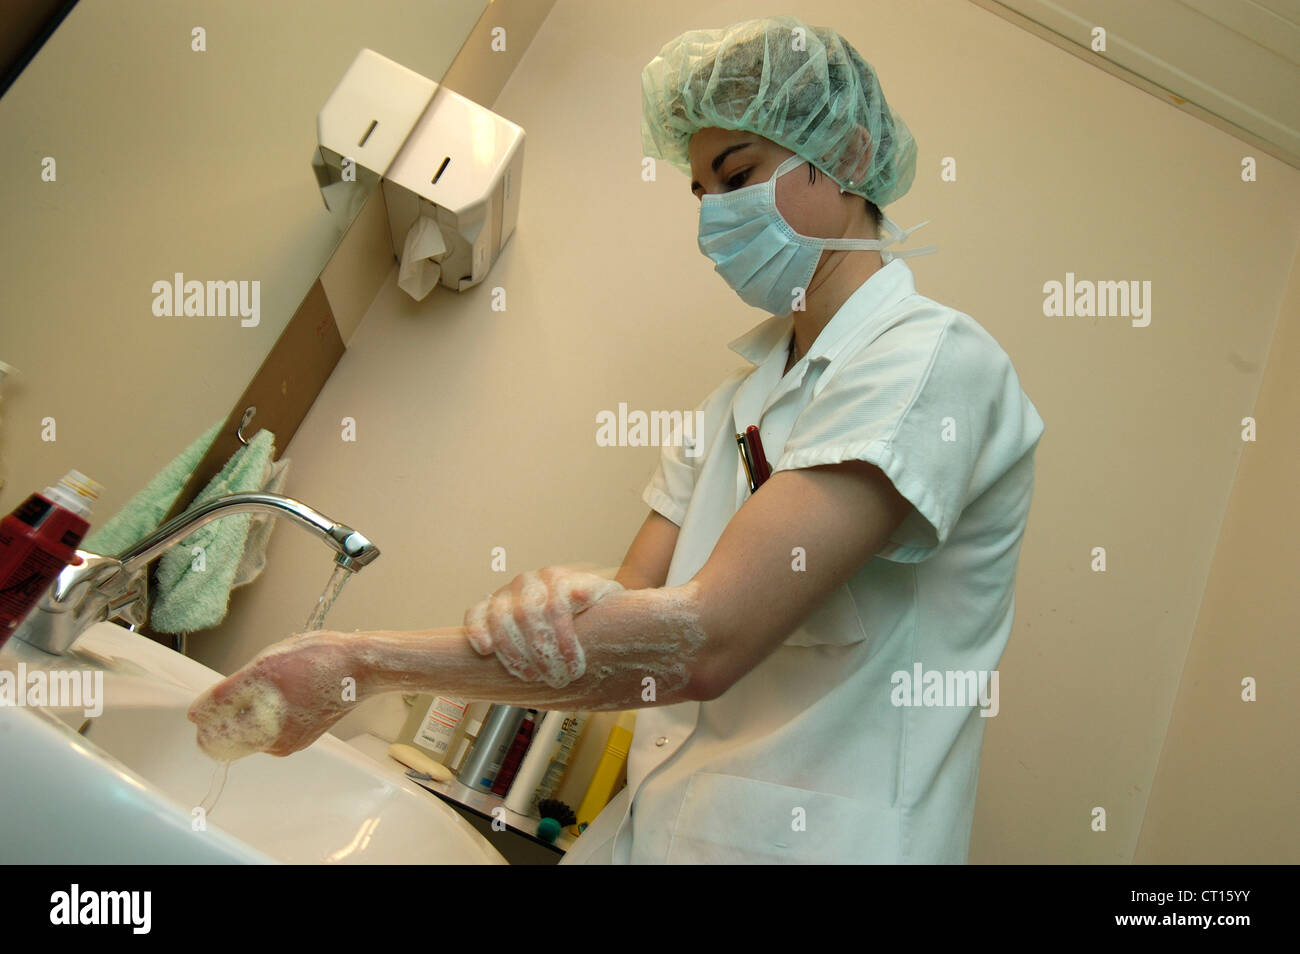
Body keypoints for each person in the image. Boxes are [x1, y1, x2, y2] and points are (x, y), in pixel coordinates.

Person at [188, 15, 1045, 864]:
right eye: (702, 192)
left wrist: (359, 664)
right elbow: (645, 595)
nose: (714, 216)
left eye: (738, 173)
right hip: (657, 830)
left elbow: (703, 639)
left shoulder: (931, 364)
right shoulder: (735, 402)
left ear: (852, 160)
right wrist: (565, 598)